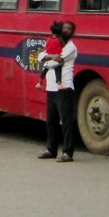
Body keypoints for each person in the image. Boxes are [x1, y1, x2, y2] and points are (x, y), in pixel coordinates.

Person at [38, 21, 78, 162]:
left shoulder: (70, 47)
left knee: (66, 121)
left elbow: (57, 61)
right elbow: (40, 57)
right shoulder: (54, 42)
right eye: (64, 28)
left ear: (72, 32)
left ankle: (68, 152)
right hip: (51, 87)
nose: (66, 31)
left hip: (64, 87)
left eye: (69, 29)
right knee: (51, 121)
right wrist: (49, 57)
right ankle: (51, 149)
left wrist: (47, 57)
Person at [36, 22, 64, 89]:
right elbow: (62, 47)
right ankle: (59, 83)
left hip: (49, 61)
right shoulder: (60, 40)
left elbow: (46, 49)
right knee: (58, 70)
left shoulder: (49, 40)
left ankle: (39, 83)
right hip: (56, 61)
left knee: (44, 71)